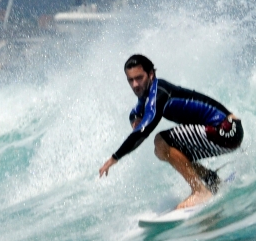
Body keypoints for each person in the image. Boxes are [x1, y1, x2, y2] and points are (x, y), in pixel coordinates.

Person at [98, 54, 243, 208]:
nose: (134, 84)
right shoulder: (146, 93)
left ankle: (200, 191)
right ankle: (211, 179)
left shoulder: (159, 93)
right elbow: (135, 112)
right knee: (163, 151)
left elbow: (144, 132)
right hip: (221, 133)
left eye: (139, 78)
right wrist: (135, 120)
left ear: (151, 74)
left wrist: (114, 158)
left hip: (227, 131)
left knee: (161, 141)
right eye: (130, 80)